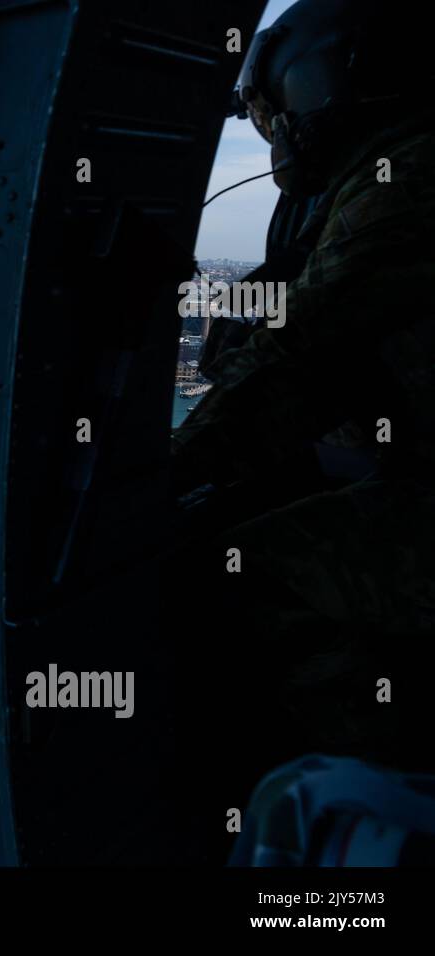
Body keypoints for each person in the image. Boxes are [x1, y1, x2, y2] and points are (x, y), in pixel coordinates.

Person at [169, 0, 435, 838]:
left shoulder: (405, 175)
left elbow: (298, 360)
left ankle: (375, 794)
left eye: (266, 116)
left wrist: (159, 475)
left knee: (246, 571)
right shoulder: (374, 172)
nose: (269, 135)